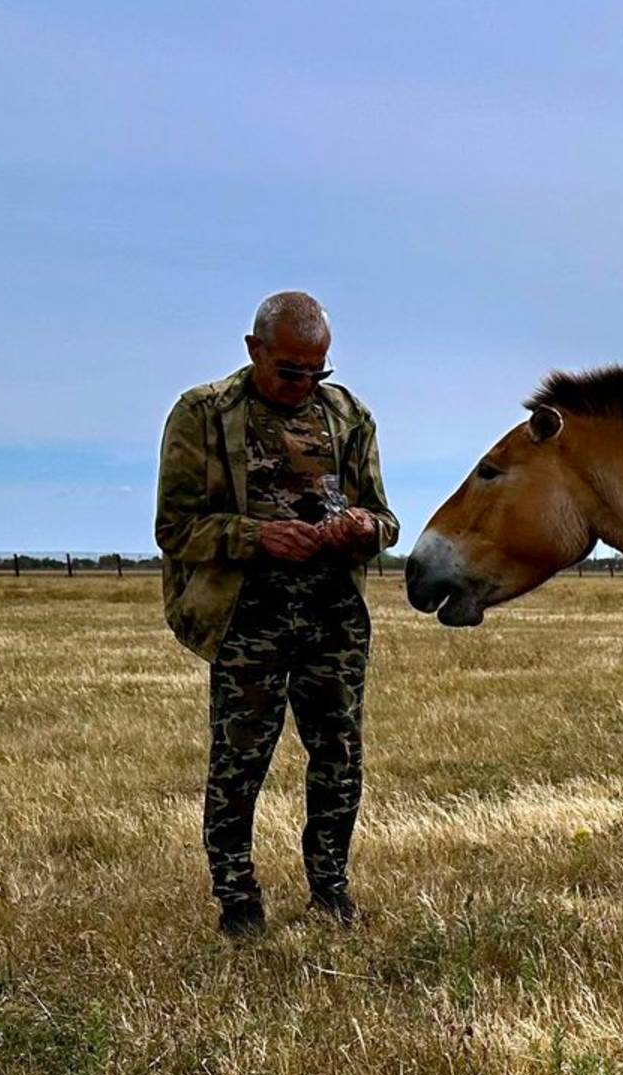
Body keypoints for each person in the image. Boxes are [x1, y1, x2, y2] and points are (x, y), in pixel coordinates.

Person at [152, 292, 399, 936]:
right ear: (254, 350)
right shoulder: (203, 414)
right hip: (247, 621)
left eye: (318, 371)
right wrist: (257, 537)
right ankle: (238, 903)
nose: (304, 384)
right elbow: (174, 529)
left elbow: (386, 520)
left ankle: (331, 892)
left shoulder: (349, 416)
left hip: (333, 619)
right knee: (239, 762)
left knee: (339, 756)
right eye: (291, 371)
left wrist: (363, 528)